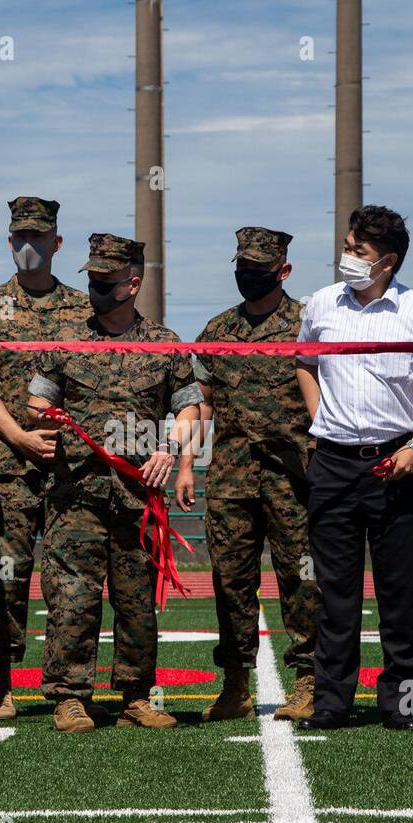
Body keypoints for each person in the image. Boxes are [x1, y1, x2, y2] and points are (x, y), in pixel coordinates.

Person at [295, 205, 413, 731]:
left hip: (400, 464)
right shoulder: (321, 304)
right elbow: (304, 362)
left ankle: (402, 703)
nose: (347, 256)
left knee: (399, 593)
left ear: (387, 261)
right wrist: (319, 418)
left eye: (359, 251)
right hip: (333, 464)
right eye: (347, 245)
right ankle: (331, 701)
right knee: (335, 594)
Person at [27, 233, 202, 733]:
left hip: (136, 497)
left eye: (107, 280)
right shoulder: (66, 338)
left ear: (133, 283)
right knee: (72, 598)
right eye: (93, 279)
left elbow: (189, 408)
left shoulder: (165, 345)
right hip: (74, 493)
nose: (98, 288)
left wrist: (171, 448)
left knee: (137, 600)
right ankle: (69, 697)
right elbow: (36, 401)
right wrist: (50, 417)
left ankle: (136, 697)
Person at [176, 226, 319, 722]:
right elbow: (202, 403)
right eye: (242, 269)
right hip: (232, 479)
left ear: (283, 271)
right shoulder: (217, 332)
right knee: (231, 582)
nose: (248, 278)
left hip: (295, 477)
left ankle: (308, 680)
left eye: (259, 271)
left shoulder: (308, 323)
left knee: (302, 580)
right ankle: (235, 683)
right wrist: (186, 463)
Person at [0, 197, 92, 720]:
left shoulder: (84, 308)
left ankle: (68, 692)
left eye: (38, 238)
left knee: (71, 577)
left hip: (69, 468)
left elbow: (95, 384)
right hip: (8, 465)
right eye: (19, 237)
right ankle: (1, 682)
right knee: (7, 575)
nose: (28, 247)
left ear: (57, 243)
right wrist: (17, 435)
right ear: (9, 241)